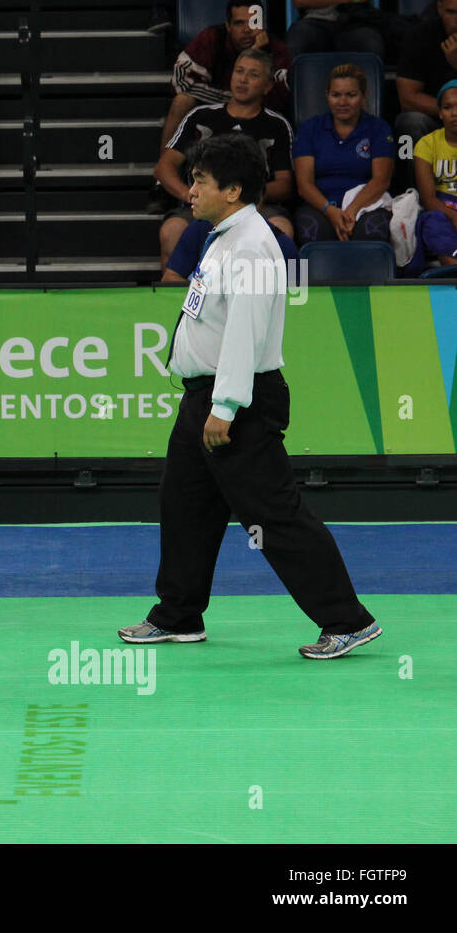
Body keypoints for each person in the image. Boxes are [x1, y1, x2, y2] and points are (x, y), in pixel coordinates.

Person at [119, 132, 381, 660]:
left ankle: (347, 620)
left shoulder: (255, 246)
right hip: (204, 398)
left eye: (199, 181)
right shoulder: (220, 236)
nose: (189, 190)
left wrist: (224, 406)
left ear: (234, 189)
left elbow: (246, 332)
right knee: (184, 503)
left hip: (236, 402)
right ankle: (178, 615)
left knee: (273, 514)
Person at [153, 49, 294, 270]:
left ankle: (268, 301)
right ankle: (178, 302)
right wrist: (188, 195)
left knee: (281, 228)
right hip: (202, 207)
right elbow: (164, 167)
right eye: (239, 71)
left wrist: (249, 195)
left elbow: (285, 183)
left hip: (255, 208)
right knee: (171, 231)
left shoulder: (277, 125)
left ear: (267, 86)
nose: (243, 79)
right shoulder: (200, 116)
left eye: (253, 75)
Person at [161, 0, 291, 153]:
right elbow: (180, 82)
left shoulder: (277, 49)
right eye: (238, 23)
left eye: (253, 23)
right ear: (228, 26)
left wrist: (256, 53)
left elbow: (281, 99)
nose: (247, 30)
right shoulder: (212, 37)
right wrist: (232, 99)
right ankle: (165, 173)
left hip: (255, 115)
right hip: (210, 109)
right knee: (181, 101)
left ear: (263, 24)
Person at [291, 63, 393, 247]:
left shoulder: (378, 128)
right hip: (320, 206)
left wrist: (351, 210)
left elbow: (381, 180)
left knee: (373, 232)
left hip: (365, 206)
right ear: (327, 96)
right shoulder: (310, 128)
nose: (343, 102)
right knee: (310, 230)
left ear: (364, 96)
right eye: (336, 95)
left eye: (351, 95)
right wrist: (331, 211)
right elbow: (304, 185)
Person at [395, 0, 457, 154]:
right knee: (410, 122)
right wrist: (450, 112)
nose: (456, 21)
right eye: (451, 12)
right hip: (433, 119)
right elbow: (407, 98)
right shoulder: (419, 36)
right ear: (439, 8)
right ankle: (410, 183)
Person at [162, 214, 299, 286]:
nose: (193, 192)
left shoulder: (285, 244)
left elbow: (302, 296)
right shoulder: (200, 227)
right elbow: (169, 279)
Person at [284, 0, 385, 59]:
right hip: (313, 21)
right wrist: (351, 0)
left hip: (355, 21)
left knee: (371, 43)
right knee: (298, 40)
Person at [414, 81, 457, 265]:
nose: (454, 113)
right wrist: (454, 217)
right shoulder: (426, 144)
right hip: (442, 210)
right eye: (447, 107)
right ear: (439, 112)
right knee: (432, 221)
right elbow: (428, 199)